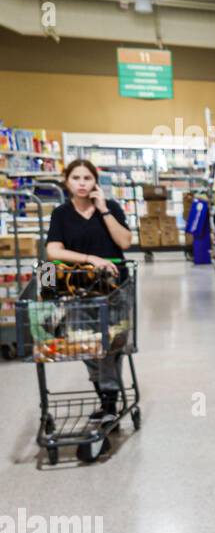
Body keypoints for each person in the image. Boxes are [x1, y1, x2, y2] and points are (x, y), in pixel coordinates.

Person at [45, 160, 134, 421]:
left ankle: (108, 402)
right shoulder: (61, 213)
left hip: (114, 288)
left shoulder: (112, 208)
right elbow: (53, 251)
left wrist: (104, 210)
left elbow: (125, 242)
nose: (82, 183)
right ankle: (106, 395)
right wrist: (90, 258)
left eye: (87, 178)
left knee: (110, 344)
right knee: (85, 344)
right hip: (78, 290)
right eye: (76, 178)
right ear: (67, 181)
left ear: (95, 181)